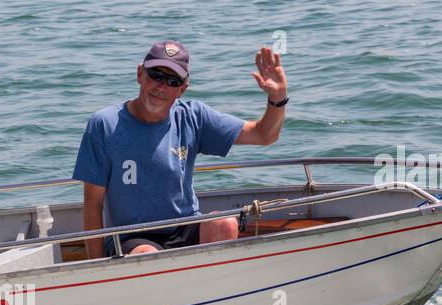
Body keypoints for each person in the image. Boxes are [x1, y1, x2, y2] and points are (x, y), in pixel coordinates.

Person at [74, 40, 289, 259]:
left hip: (185, 226)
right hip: (131, 237)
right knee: (147, 254)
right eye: (156, 74)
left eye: (172, 80)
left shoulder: (193, 116)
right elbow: (93, 204)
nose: (161, 86)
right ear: (140, 74)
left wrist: (277, 98)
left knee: (224, 224)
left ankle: (212, 286)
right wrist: (98, 264)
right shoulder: (104, 124)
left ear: (182, 89)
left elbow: (264, 135)